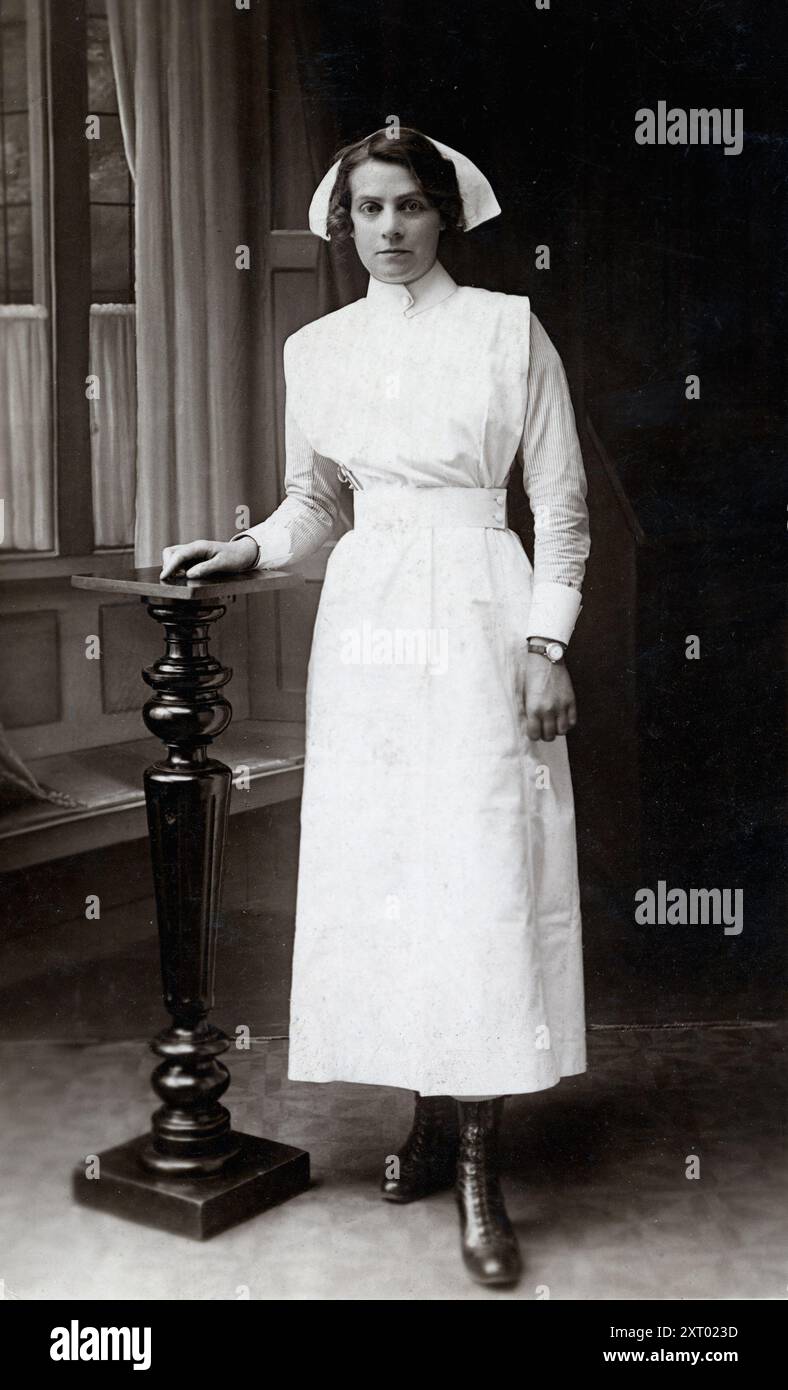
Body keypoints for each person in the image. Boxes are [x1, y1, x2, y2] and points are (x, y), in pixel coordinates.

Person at [161, 126, 590, 1289]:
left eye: (407, 207)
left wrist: (543, 643)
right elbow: (314, 503)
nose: (388, 231)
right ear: (340, 222)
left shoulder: (507, 330)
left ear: (443, 216)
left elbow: (558, 509)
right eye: (367, 210)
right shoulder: (317, 348)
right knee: (396, 873)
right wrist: (243, 546)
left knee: (481, 868)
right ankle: (425, 1117)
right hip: (368, 630)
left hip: (481, 616)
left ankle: (478, 1165)